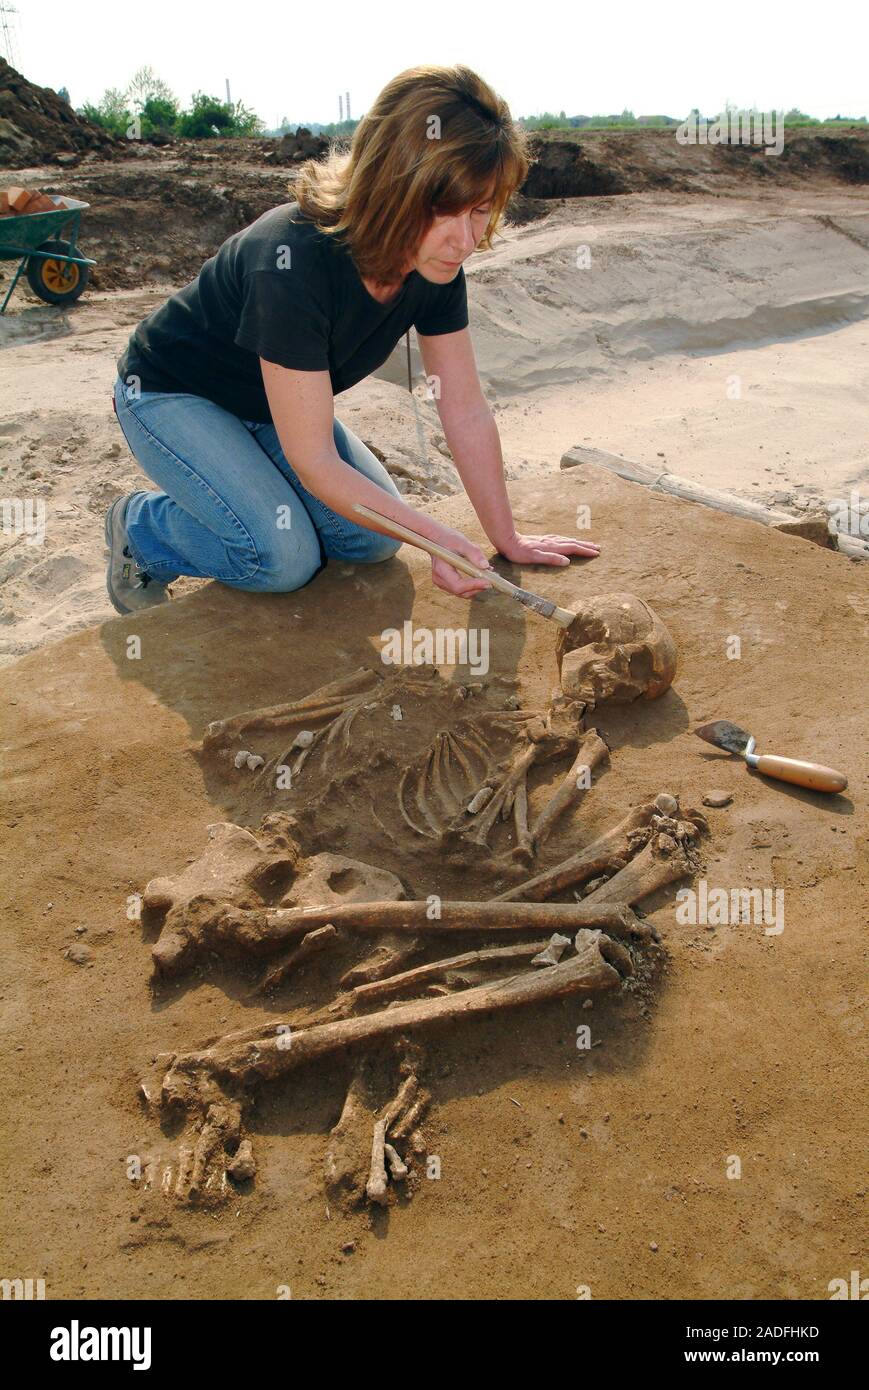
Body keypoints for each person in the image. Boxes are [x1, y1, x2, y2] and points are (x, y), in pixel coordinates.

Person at [107, 63, 600, 615]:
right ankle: (142, 528)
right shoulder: (292, 261)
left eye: (480, 211)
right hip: (173, 394)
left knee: (374, 539)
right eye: (444, 212)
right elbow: (315, 459)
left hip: (274, 409)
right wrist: (436, 537)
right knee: (282, 558)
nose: (465, 239)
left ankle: (254, 492)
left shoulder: (437, 264)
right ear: (391, 187)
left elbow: (462, 407)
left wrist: (505, 537)